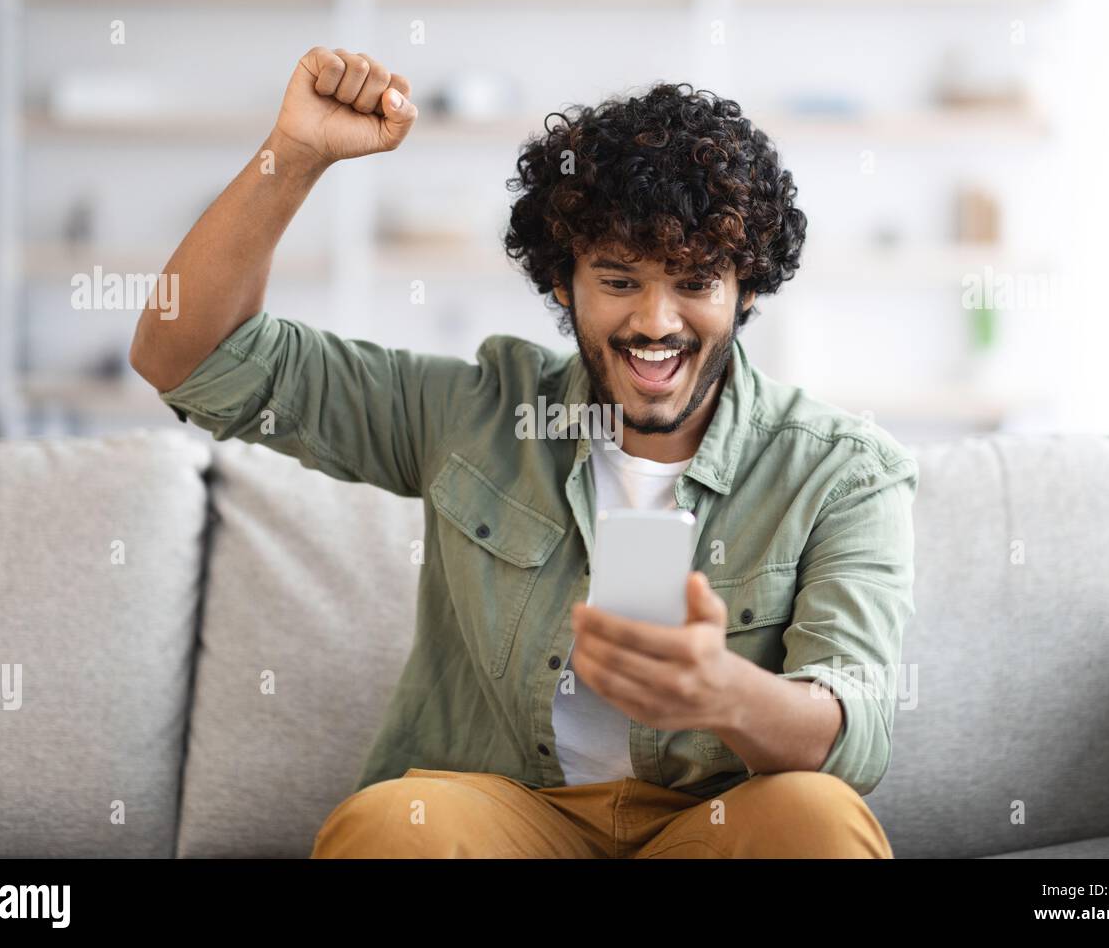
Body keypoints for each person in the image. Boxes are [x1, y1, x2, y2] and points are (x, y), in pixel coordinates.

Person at [129, 48, 917, 859]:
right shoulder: (476, 412)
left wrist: (723, 693)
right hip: (513, 820)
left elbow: (851, 737)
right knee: (396, 825)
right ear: (561, 285)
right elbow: (186, 358)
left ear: (746, 288)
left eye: (694, 281)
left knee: (816, 818)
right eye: (617, 280)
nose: (656, 322)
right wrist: (292, 155)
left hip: (713, 830)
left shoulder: (842, 471)